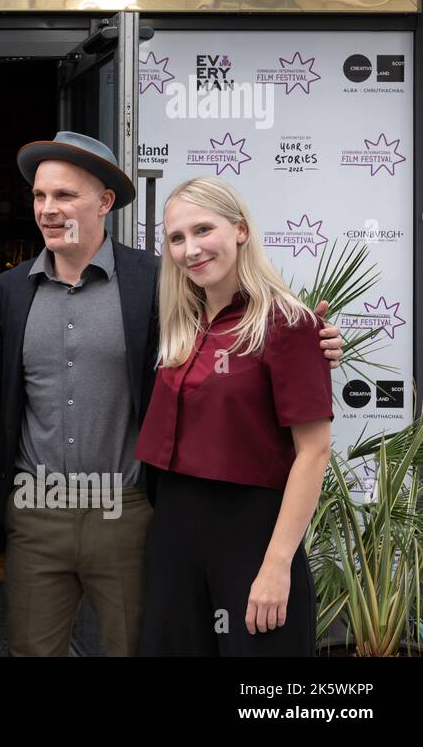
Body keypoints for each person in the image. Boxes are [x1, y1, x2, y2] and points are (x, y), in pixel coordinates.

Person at [0, 131, 345, 656]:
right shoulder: (20, 288)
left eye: (64, 196)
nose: (48, 209)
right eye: (39, 196)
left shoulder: (156, 284)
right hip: (55, 512)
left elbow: (260, 337)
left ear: (105, 203)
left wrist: (316, 341)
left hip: (132, 510)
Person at [135, 177, 332, 655]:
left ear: (240, 230)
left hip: (253, 531)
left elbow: (314, 450)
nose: (190, 249)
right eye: (176, 238)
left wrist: (277, 563)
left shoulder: (288, 322)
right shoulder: (177, 322)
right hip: (174, 526)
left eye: (204, 230)